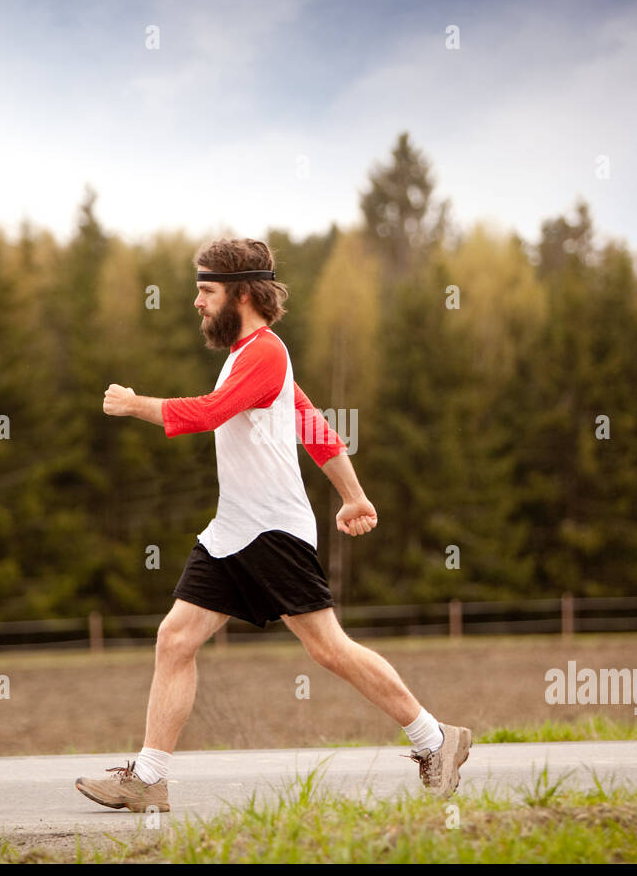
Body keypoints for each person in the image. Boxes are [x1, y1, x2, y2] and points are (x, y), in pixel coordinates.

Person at [74, 237, 470, 813]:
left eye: (206, 291)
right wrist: (355, 497)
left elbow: (209, 414)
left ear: (240, 293)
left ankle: (437, 739)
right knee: (175, 638)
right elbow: (314, 428)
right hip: (234, 529)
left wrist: (137, 404)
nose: (196, 303)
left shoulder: (266, 353)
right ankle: (149, 779)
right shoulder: (250, 359)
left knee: (329, 650)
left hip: (272, 534)